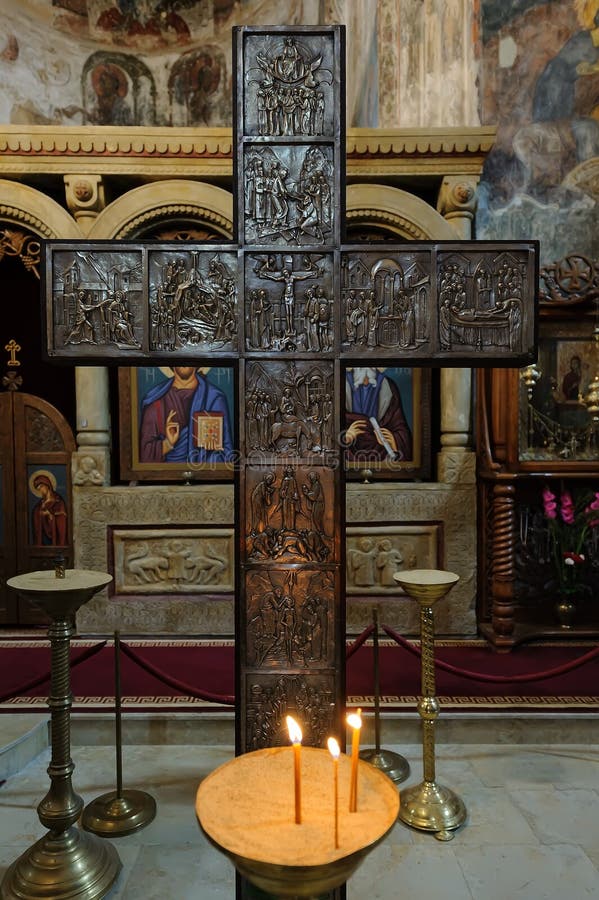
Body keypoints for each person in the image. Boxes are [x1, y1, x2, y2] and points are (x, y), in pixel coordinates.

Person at [139, 367, 233, 464]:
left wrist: (210, 453)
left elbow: (228, 457)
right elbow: (144, 457)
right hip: (166, 475)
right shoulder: (155, 401)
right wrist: (167, 444)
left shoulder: (214, 398)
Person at [344, 367, 412, 463]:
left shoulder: (388, 386)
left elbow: (399, 425)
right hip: (348, 455)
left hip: (384, 455)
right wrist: (345, 437)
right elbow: (330, 426)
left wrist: (394, 440)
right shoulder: (341, 385)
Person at [31, 473, 68, 546]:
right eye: (38, 489)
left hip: (56, 539)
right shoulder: (40, 505)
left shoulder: (58, 501)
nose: (41, 490)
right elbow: (36, 517)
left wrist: (50, 515)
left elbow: (62, 519)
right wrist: (39, 514)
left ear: (47, 485)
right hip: (44, 538)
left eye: (41, 487)